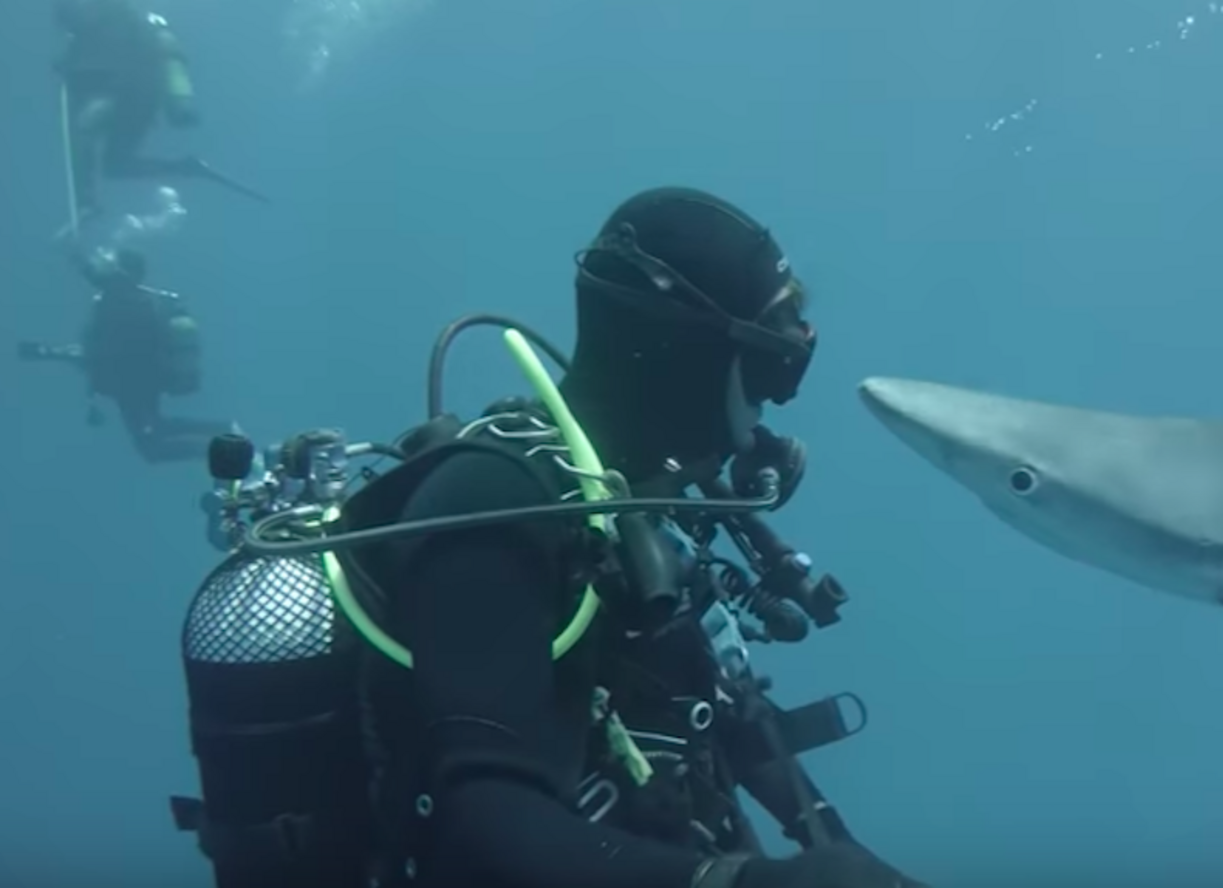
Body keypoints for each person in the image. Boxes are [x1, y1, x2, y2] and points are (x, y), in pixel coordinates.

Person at [171, 187, 929, 888]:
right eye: (774, 364)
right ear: (681, 354)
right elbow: (480, 825)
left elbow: (722, 715)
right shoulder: (493, 508)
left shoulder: (627, 505)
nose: (776, 402)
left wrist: (831, 844)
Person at [52, 0, 265, 225]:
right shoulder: (134, 19)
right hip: (145, 99)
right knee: (117, 166)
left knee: (85, 126)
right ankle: (184, 167)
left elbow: (87, 36)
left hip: (120, 90)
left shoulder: (108, 12)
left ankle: (86, 202)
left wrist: (69, 61)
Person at [17, 246, 234, 464]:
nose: (101, 261)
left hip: (135, 384)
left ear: (119, 272)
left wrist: (56, 354)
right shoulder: (121, 299)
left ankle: (231, 449)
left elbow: (107, 352)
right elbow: (103, 346)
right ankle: (224, 433)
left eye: (108, 260)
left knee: (153, 446)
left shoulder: (122, 305)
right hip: (134, 384)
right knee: (156, 432)